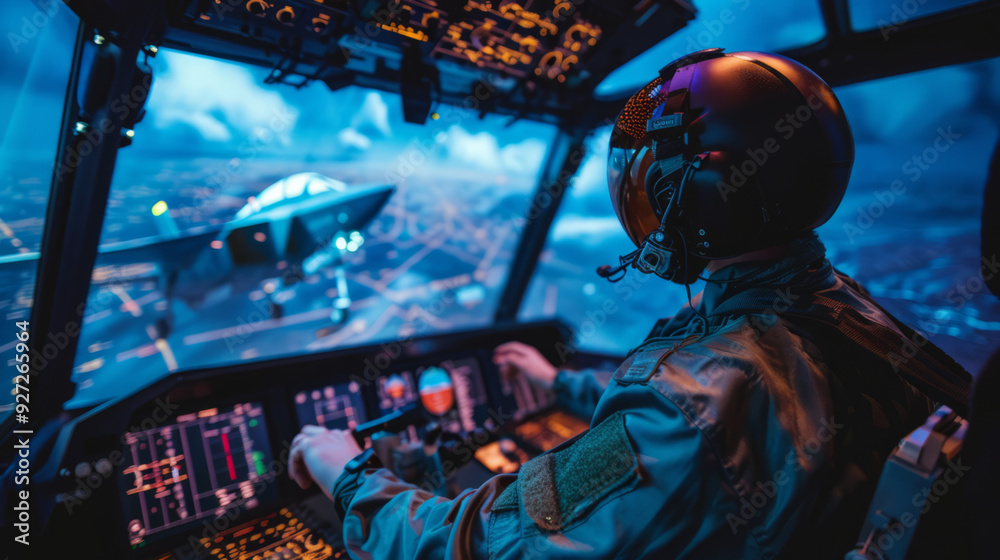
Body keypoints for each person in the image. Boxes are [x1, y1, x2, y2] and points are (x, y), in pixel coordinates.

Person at [288, 49, 971, 559]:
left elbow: (483, 547)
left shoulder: (685, 405)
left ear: (701, 194)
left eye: (655, 181)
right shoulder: (845, 310)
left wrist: (345, 473)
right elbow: (723, 426)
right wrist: (563, 386)